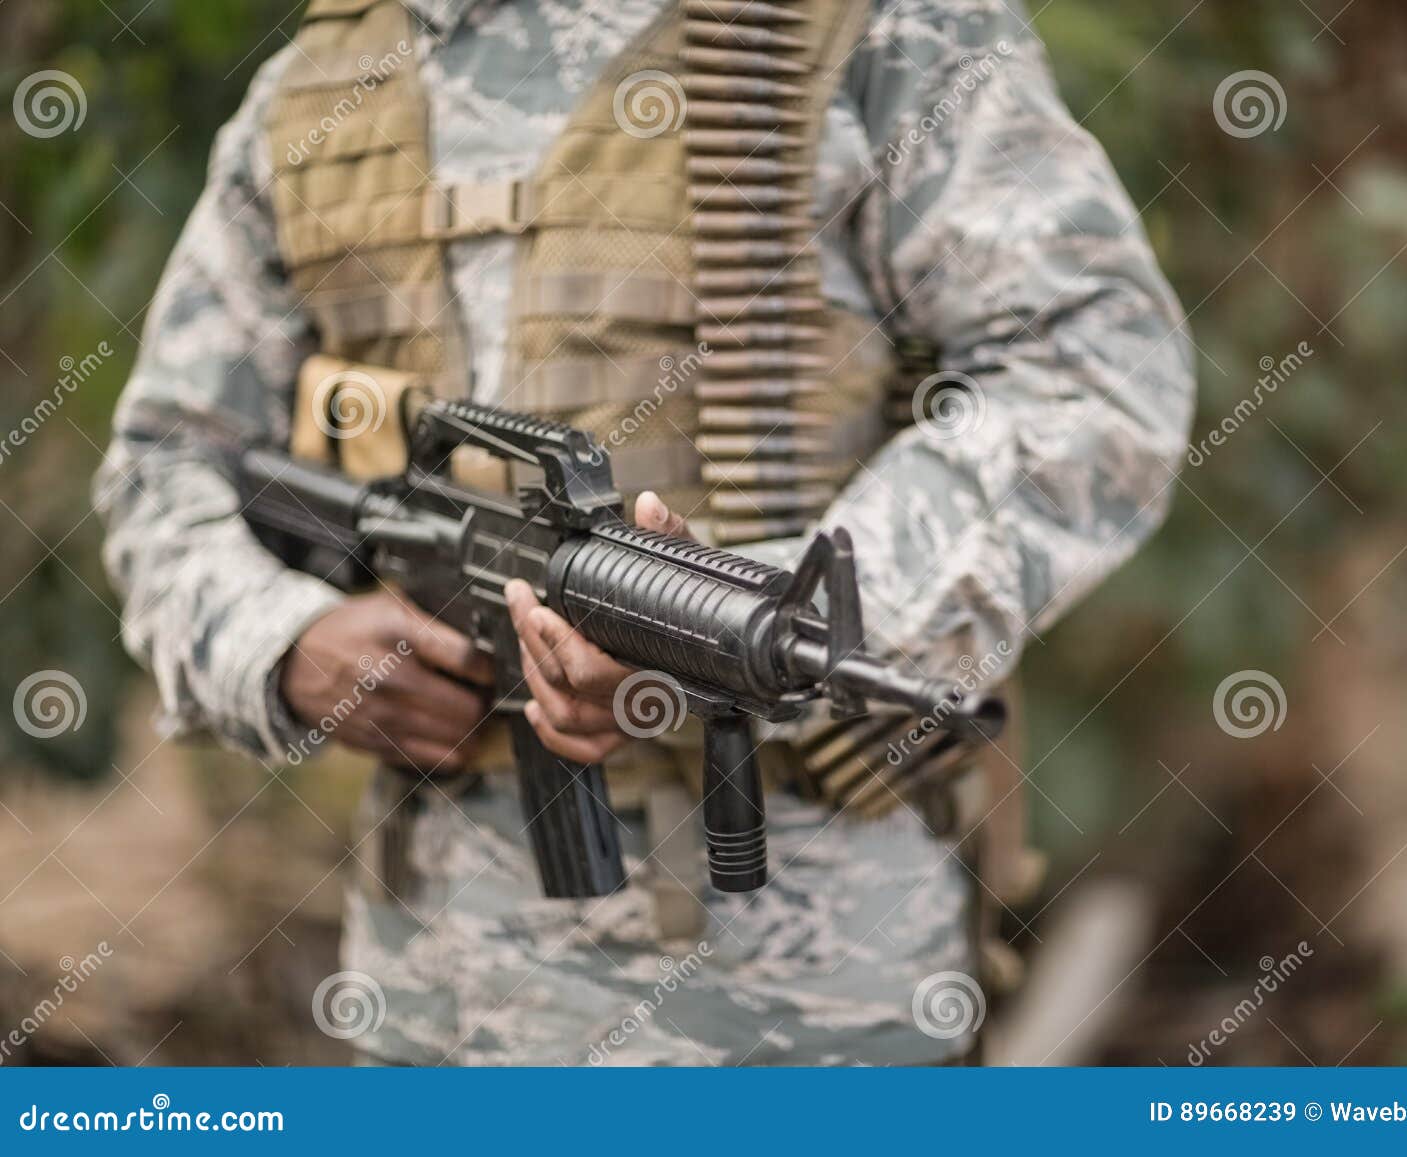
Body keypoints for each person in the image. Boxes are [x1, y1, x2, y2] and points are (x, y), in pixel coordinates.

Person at [96, 0, 1194, 1065]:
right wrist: (281, 644)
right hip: (437, 987)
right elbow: (167, 461)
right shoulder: (318, 87)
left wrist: (748, 615)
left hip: (796, 997)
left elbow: (1093, 372)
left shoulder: (880, 30)